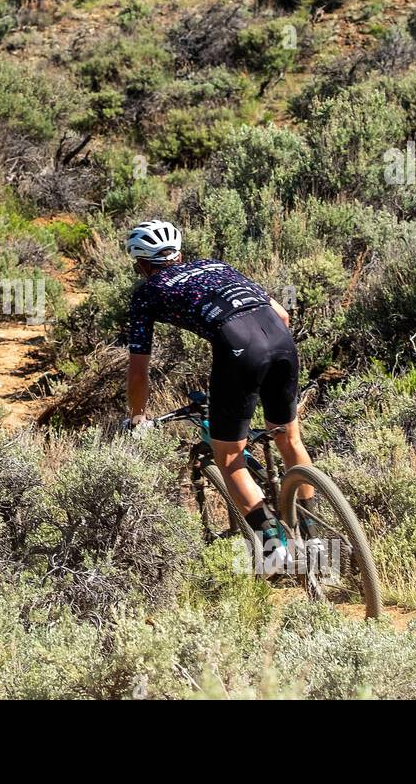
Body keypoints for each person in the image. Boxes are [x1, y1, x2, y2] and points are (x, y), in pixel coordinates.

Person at [123, 219, 316, 572]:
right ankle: (314, 536)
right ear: (179, 255)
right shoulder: (215, 265)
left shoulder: (146, 293)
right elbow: (283, 315)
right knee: (289, 439)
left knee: (228, 457)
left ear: (142, 265)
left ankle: (275, 550)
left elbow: (138, 372)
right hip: (281, 340)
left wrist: (138, 416)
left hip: (239, 350)